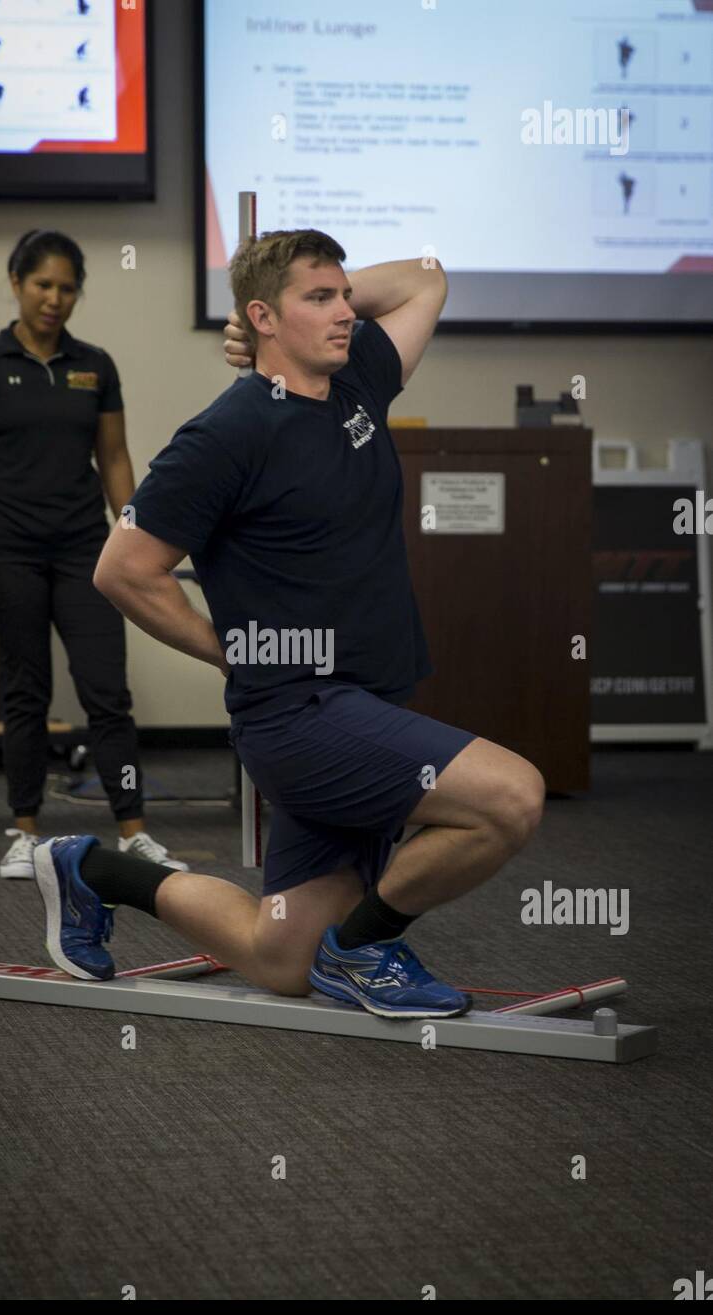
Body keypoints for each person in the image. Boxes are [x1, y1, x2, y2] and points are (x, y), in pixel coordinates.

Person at [32, 229, 545, 1018]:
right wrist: (229, 651)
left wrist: (293, 301)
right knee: (511, 798)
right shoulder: (226, 435)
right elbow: (123, 570)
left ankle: (94, 871)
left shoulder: (360, 383)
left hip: (366, 706)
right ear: (267, 319)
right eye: (321, 299)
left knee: (281, 959)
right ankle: (366, 948)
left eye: (345, 296)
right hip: (299, 715)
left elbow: (427, 279)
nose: (346, 313)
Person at [0, 229, 188, 879]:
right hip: (7, 548)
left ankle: (133, 831)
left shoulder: (95, 366)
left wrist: (137, 539)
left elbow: (114, 457)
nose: (54, 298)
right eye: (42, 285)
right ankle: (23, 831)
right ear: (17, 283)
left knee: (107, 691)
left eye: (67, 287)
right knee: (26, 693)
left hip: (86, 550)